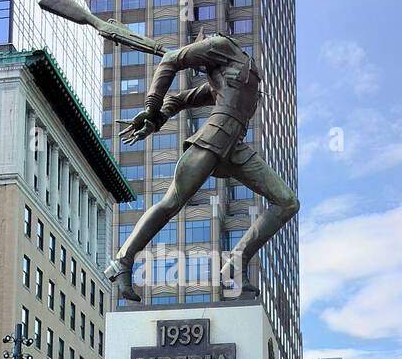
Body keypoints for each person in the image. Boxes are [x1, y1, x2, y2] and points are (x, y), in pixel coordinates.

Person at [107, 34, 299, 302]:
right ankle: (123, 261)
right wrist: (153, 112)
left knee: (287, 203)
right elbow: (171, 64)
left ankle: (235, 264)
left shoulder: (235, 66)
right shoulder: (221, 49)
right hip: (212, 139)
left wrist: (160, 114)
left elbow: (180, 99)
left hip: (235, 147)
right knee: (172, 203)